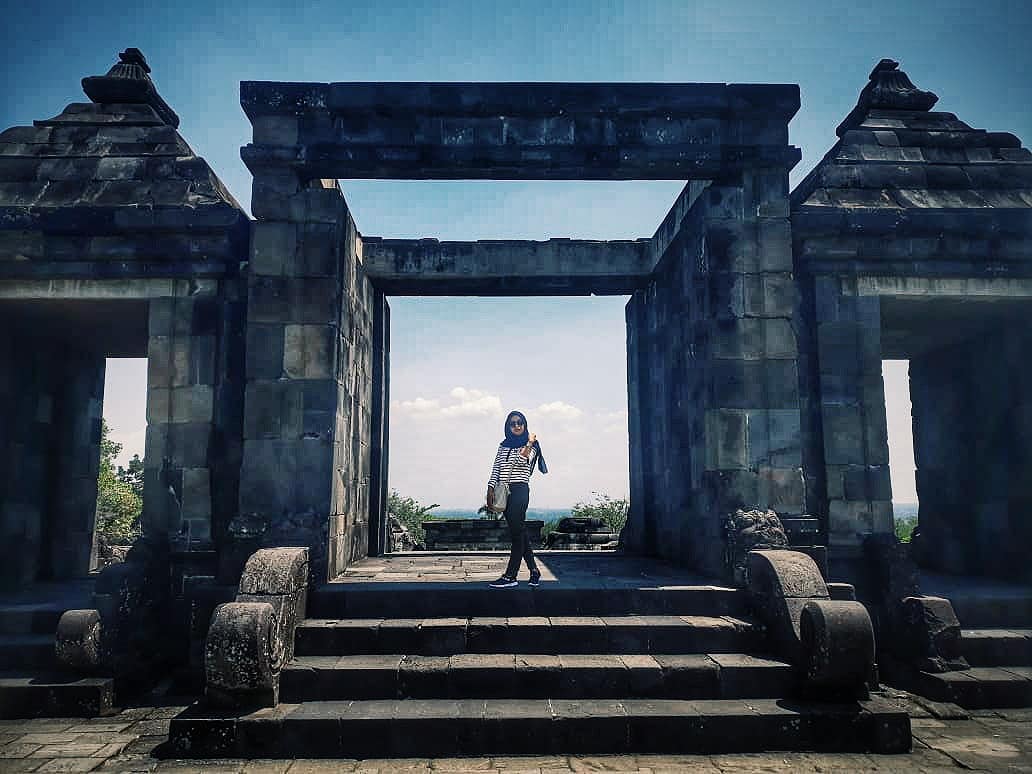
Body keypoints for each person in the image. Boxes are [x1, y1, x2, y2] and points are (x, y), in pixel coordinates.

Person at [487, 410, 547, 588]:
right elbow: (496, 468)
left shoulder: (533, 446)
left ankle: (511, 576)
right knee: (519, 532)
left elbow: (523, 463)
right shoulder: (503, 445)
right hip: (503, 491)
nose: (517, 426)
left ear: (525, 424)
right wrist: (490, 489)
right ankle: (534, 571)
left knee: (517, 533)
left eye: (520, 422)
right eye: (513, 423)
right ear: (508, 426)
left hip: (520, 491)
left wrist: (529, 442)